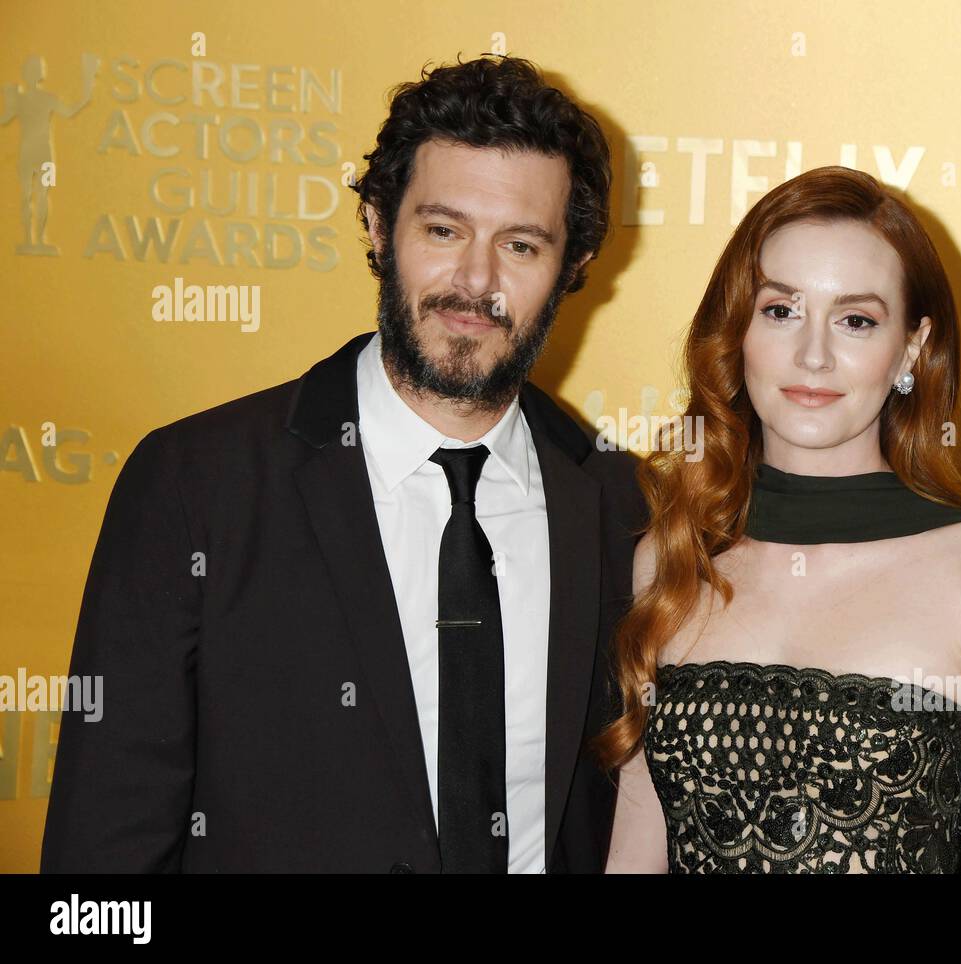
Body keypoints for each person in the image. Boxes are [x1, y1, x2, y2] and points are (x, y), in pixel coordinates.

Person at [41, 55, 645, 873]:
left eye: (521, 245)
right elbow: (103, 851)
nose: (476, 280)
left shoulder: (623, 504)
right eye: (443, 230)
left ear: (573, 265)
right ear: (375, 224)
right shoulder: (196, 484)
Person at [598, 166, 961, 873]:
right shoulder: (672, 560)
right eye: (781, 310)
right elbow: (634, 858)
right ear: (738, 331)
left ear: (910, 349)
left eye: (856, 320)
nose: (813, 354)